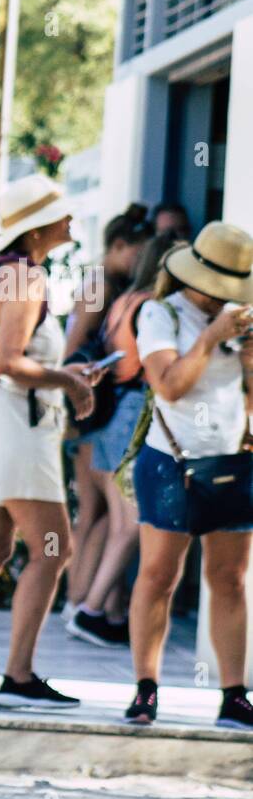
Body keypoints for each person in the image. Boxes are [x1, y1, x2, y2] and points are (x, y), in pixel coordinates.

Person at [0, 175, 105, 709]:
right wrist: (69, 380)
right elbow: (10, 363)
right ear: (37, 227)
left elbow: (11, 358)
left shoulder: (5, 274)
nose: (70, 222)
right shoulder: (25, 280)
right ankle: (19, 673)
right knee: (55, 548)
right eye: (62, 214)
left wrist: (63, 372)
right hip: (14, 430)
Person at [123, 222, 253, 728]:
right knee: (158, 576)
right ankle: (146, 688)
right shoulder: (159, 313)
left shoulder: (232, 321)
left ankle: (233, 694)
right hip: (171, 463)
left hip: (229, 460)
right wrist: (212, 338)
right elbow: (169, 386)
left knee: (230, 579)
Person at [65, 232, 180, 647]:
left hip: (111, 418)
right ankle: (91, 610)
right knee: (129, 524)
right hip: (134, 413)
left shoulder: (121, 301)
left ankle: (98, 608)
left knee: (111, 522)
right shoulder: (152, 307)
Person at [61, 205, 152, 620]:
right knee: (95, 513)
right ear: (118, 246)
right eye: (137, 252)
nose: (139, 262)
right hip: (89, 412)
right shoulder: (99, 285)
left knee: (100, 514)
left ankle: (88, 601)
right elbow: (72, 349)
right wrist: (71, 408)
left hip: (95, 410)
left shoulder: (110, 285)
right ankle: (77, 600)